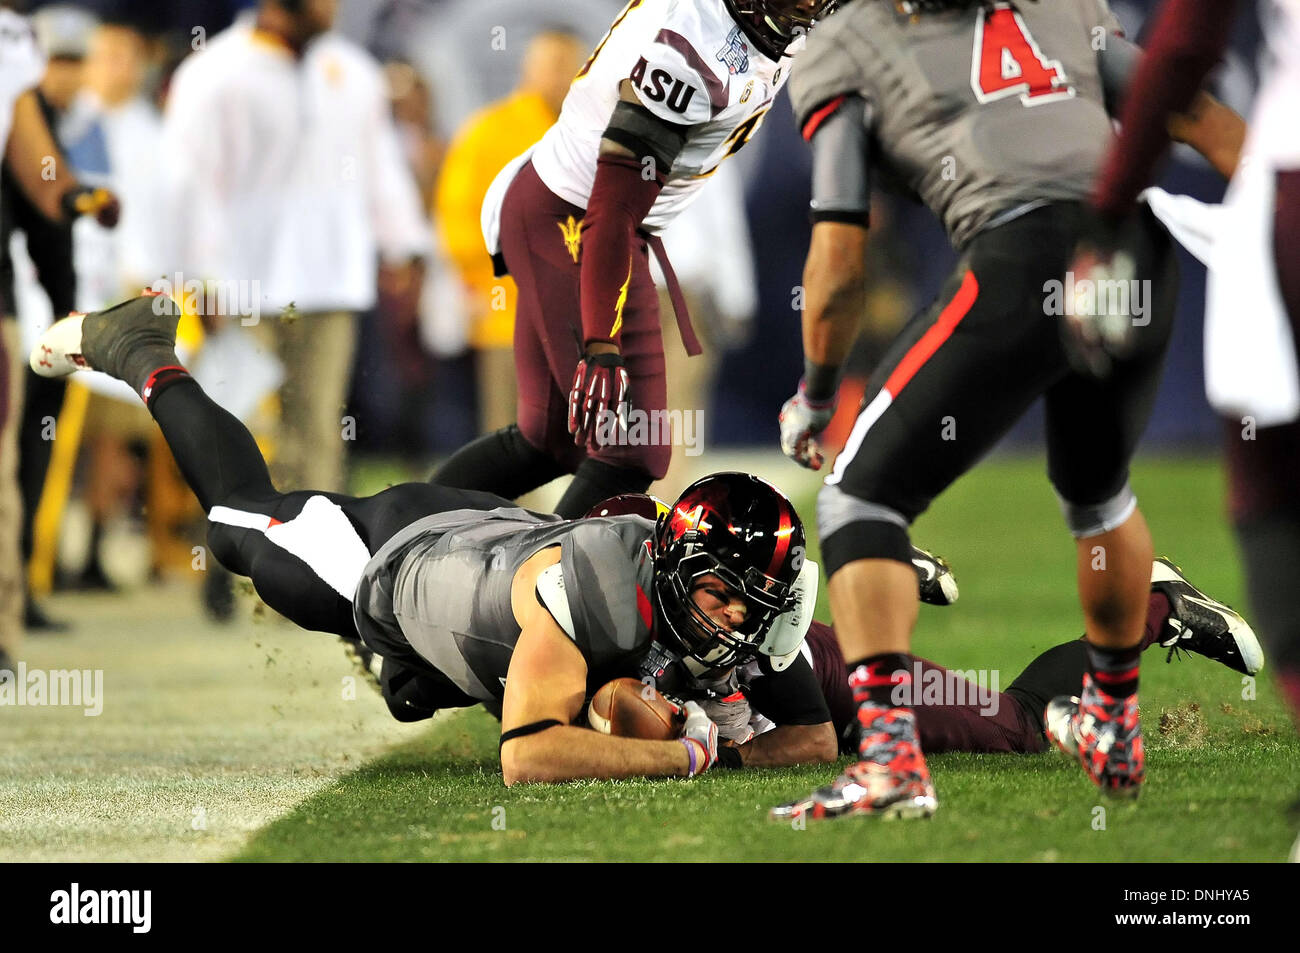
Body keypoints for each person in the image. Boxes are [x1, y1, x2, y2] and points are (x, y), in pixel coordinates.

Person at [31, 293, 844, 783]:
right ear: (676, 572)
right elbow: (528, 755)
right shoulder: (589, 589)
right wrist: (689, 758)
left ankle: (416, 669)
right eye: (724, 598)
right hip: (395, 557)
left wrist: (734, 751)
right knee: (241, 520)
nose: (738, 623)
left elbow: (813, 737)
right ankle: (140, 348)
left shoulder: (739, 603)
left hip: (493, 545)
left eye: (754, 604)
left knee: (419, 692)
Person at [772, 0, 1246, 817]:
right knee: (1099, 496)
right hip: (1135, 252)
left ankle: (889, 764)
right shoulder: (1058, 5)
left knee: (858, 495)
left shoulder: (843, 44)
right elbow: (1197, 115)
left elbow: (840, 254)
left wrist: (817, 391)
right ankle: (1111, 718)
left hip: (1027, 254)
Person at [431, 0, 841, 518]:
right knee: (629, 450)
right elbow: (613, 205)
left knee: (554, 439)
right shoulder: (689, 54)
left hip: (584, 219)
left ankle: (409, 540)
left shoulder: (753, 30)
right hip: (575, 224)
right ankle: (537, 582)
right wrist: (601, 345)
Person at [0, 4, 118, 669]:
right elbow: (49, 203)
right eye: (60, 61)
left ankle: (9, 609)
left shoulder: (18, 63)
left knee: (15, 464)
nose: (65, 75)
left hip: (20, 308)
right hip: (23, 307)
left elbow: (49, 197)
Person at [435, 27, 587, 436]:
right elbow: (458, 219)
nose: (564, 76)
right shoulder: (490, 132)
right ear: (528, 68)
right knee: (512, 434)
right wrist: (492, 277)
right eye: (553, 65)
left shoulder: (587, 135)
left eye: (573, 66)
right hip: (510, 315)